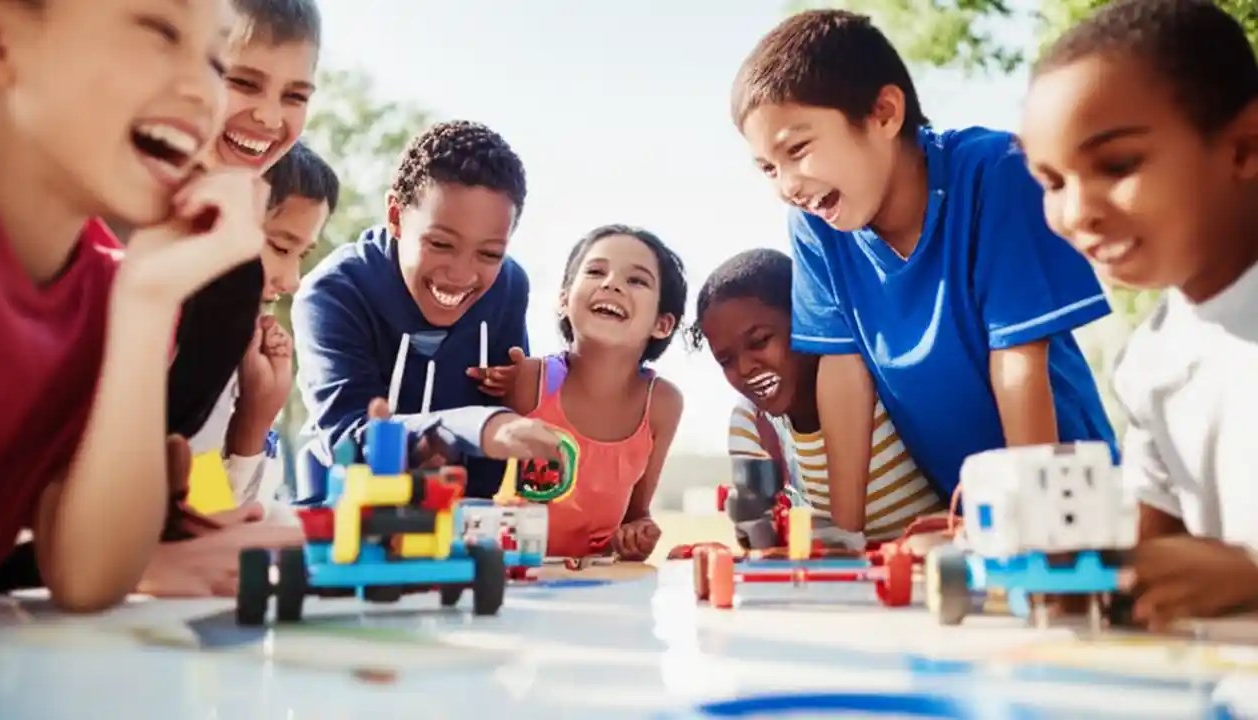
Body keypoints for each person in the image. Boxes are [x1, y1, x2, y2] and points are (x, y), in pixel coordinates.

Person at [730, 9, 1118, 532]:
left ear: (884, 113)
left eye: (797, 150)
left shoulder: (995, 172)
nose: (787, 185)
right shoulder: (817, 225)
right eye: (768, 169)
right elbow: (844, 370)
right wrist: (846, 538)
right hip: (970, 512)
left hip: (1065, 498)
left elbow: (1018, 360)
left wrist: (1032, 527)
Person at [0, 0, 268, 609]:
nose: (204, 91)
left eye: (216, 61)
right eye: (159, 31)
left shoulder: (116, 293)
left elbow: (88, 578)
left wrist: (147, 302)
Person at [1019, 0, 1258, 631]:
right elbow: (1148, 552)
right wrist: (1030, 554)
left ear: (1245, 147)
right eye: (1052, 183)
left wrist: (1249, 576)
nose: (1077, 213)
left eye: (1118, 165)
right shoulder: (1151, 361)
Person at [292, 120, 561, 502]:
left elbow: (507, 424)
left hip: (461, 516)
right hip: (344, 516)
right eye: (441, 244)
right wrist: (477, 428)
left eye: (489, 254)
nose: (461, 274)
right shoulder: (334, 293)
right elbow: (346, 436)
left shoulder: (509, 286)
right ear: (396, 216)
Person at [691, 249, 942, 550]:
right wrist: (755, 524)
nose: (744, 368)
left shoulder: (879, 381)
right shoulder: (754, 424)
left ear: (806, 319)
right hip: (846, 574)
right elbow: (761, 543)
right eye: (726, 360)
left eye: (759, 341)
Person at [173, 0, 322, 503]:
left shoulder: (229, 286)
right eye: (243, 82)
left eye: (295, 95)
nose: (269, 116)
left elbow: (198, 496)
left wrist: (251, 425)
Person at [499, 225, 686, 561]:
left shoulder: (661, 404)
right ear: (563, 299)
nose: (611, 284)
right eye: (596, 271)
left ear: (662, 324)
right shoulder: (527, 382)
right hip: (512, 578)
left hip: (595, 582)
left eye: (637, 280)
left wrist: (638, 537)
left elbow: (636, 516)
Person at [186, 140, 340, 514]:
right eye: (280, 248)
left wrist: (256, 417)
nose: (292, 281)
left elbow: (224, 514)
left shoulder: (234, 357)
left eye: (301, 255)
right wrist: (253, 418)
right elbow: (208, 518)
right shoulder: (180, 353)